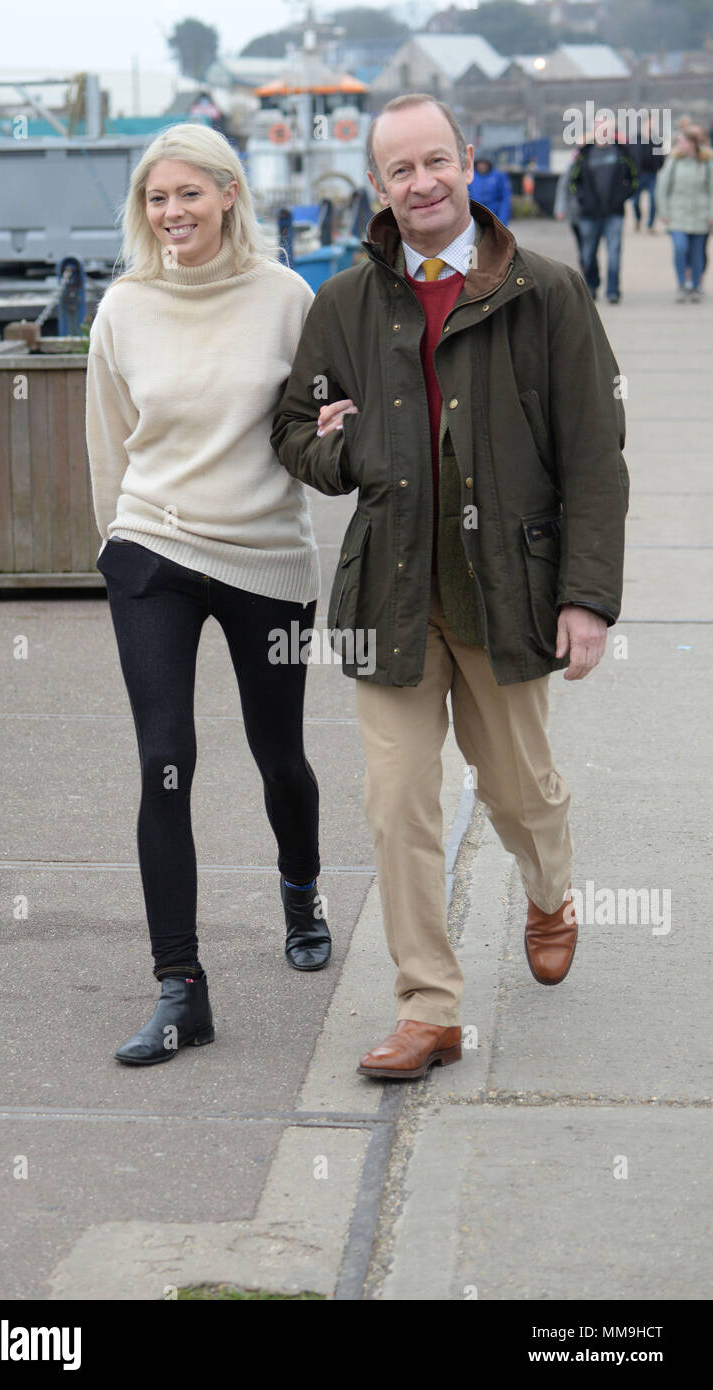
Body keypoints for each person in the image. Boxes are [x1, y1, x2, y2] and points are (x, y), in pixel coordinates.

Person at [271, 94, 628, 1082]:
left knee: (518, 791)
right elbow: (292, 433)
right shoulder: (343, 303)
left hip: (506, 589)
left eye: (437, 161)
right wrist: (336, 450)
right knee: (397, 804)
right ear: (379, 186)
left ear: (466, 161)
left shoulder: (546, 292)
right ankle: (429, 1007)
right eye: (400, 170)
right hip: (389, 596)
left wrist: (587, 596)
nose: (422, 183)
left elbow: (596, 454)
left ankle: (550, 889)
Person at [85, 123, 332, 1067]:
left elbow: (310, 422)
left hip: (266, 554)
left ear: (229, 194)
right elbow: (109, 443)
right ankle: (180, 987)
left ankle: (300, 886)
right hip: (152, 549)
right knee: (164, 760)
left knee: (279, 754)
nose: (172, 213)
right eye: (156, 199)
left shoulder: (284, 298)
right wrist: (114, 545)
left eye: (189, 193)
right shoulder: (123, 308)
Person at [569, 114, 638, 303]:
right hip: (589, 214)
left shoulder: (622, 153)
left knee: (614, 253)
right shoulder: (585, 154)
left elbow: (634, 179)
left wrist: (623, 196)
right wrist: (582, 199)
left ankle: (613, 291)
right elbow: (573, 181)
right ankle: (592, 286)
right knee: (588, 254)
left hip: (614, 213)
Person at [655, 125, 713, 301]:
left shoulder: (706, 163)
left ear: (694, 143)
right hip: (677, 215)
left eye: (684, 142)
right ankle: (682, 284)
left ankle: (696, 286)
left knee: (697, 254)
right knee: (680, 248)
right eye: (679, 142)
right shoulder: (673, 162)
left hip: (700, 216)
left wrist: (711, 213)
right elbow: (662, 188)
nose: (680, 145)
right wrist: (664, 212)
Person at [554, 142, 588, 278]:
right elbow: (563, 188)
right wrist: (560, 209)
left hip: (589, 213)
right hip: (575, 214)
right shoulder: (572, 166)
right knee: (582, 246)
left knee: (588, 246)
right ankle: (585, 270)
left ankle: (588, 272)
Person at [628, 115, 665, 232]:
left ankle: (650, 225)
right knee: (634, 201)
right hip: (637, 175)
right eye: (649, 123)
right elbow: (629, 157)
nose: (651, 125)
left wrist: (659, 168)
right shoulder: (634, 140)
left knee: (654, 200)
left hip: (652, 175)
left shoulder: (657, 140)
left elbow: (661, 158)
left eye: (653, 123)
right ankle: (638, 219)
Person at [468, 154, 511, 225]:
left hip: (494, 218)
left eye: (484, 164)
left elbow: (505, 200)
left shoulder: (498, 176)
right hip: (474, 219)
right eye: (480, 164)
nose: (482, 166)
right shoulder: (470, 177)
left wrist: (502, 222)